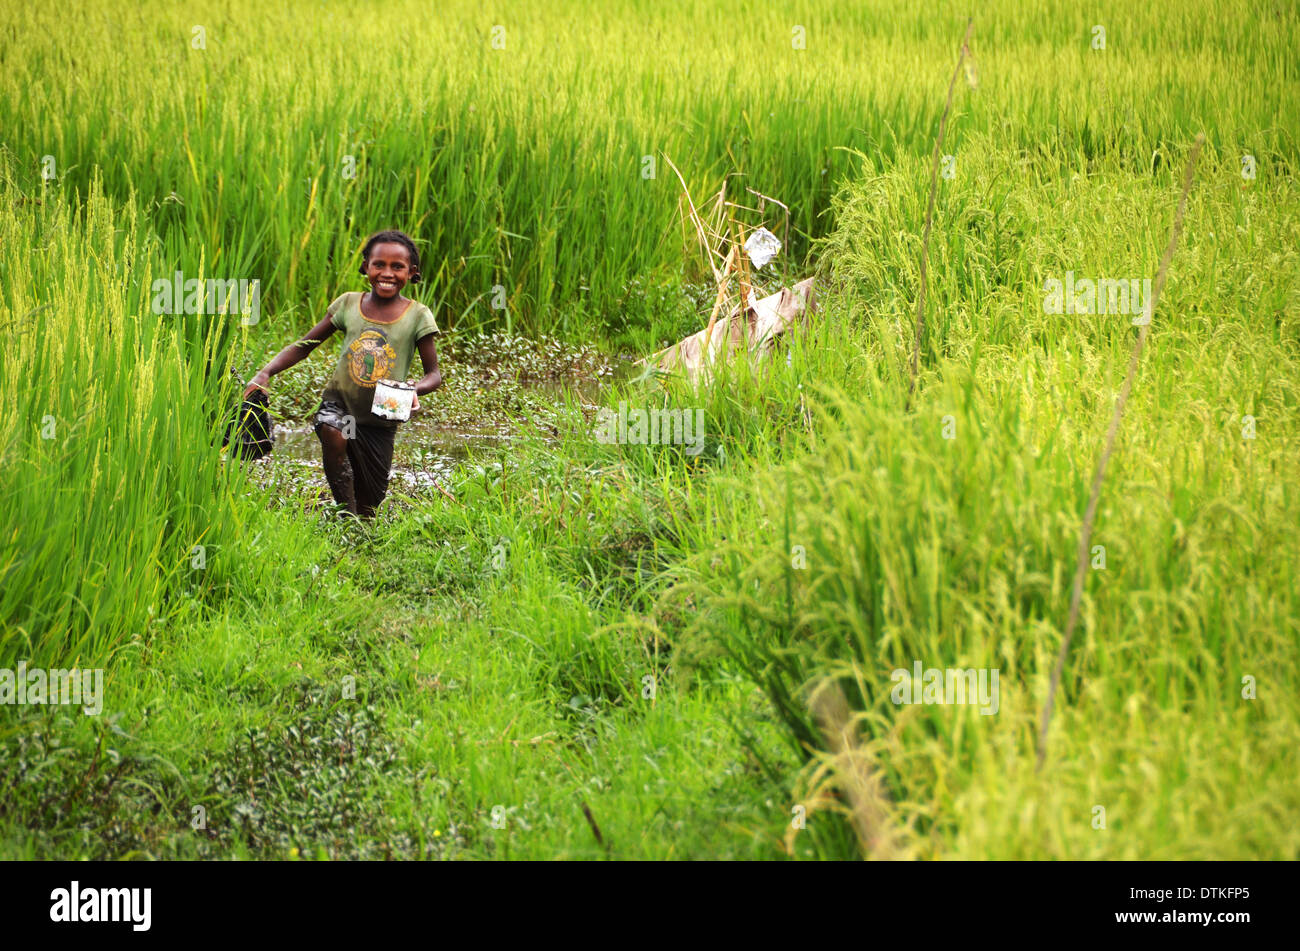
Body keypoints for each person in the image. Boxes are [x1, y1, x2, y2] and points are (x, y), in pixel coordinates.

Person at [243, 230, 443, 519]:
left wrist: (414, 388)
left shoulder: (417, 315)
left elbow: (434, 374)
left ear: (411, 272)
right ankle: (344, 516)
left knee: (369, 509)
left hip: (381, 420)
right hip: (341, 407)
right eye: (379, 265)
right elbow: (305, 345)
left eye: (397, 267)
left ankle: (356, 518)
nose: (387, 273)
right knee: (334, 431)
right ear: (366, 267)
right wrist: (266, 371)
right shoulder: (349, 304)